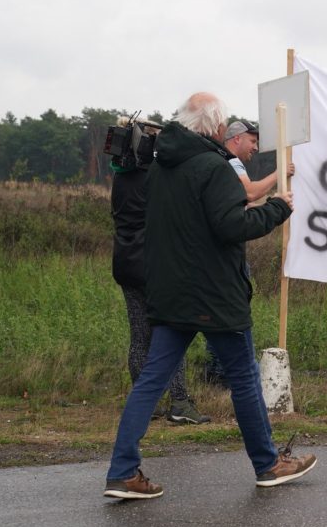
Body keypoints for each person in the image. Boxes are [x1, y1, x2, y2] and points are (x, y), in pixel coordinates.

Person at [104, 92, 316, 499]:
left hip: (170, 295)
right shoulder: (213, 168)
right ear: (218, 127)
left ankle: (123, 471)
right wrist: (277, 209)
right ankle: (269, 464)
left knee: (150, 380)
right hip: (215, 298)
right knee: (245, 380)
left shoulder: (161, 167)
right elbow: (231, 226)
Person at [109, 117, 210, 425]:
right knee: (172, 333)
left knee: (139, 337)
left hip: (125, 262)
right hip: (155, 265)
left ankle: (146, 404)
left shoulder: (122, 176)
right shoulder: (154, 175)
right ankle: (179, 402)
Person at [201, 119, 295, 386]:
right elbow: (249, 192)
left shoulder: (222, 161)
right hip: (224, 251)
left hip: (220, 250)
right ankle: (224, 374)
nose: (255, 147)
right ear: (237, 139)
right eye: (253, 141)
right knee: (227, 313)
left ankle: (217, 371)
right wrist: (279, 175)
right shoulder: (230, 161)